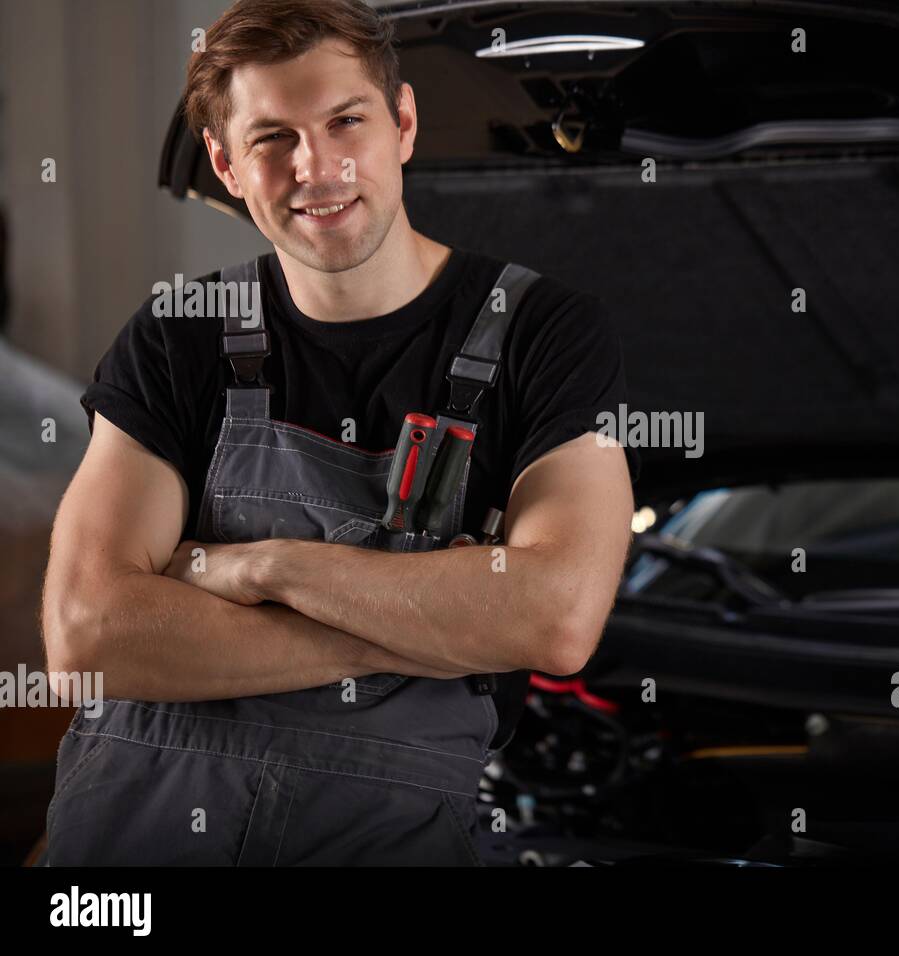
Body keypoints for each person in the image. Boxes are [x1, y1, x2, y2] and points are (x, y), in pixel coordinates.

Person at [39, 0, 637, 865]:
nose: (315, 168)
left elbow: (555, 619)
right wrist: (431, 626)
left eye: (344, 121)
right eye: (272, 137)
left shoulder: (544, 335)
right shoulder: (180, 334)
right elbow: (88, 636)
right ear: (226, 164)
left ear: (401, 123)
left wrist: (263, 567)